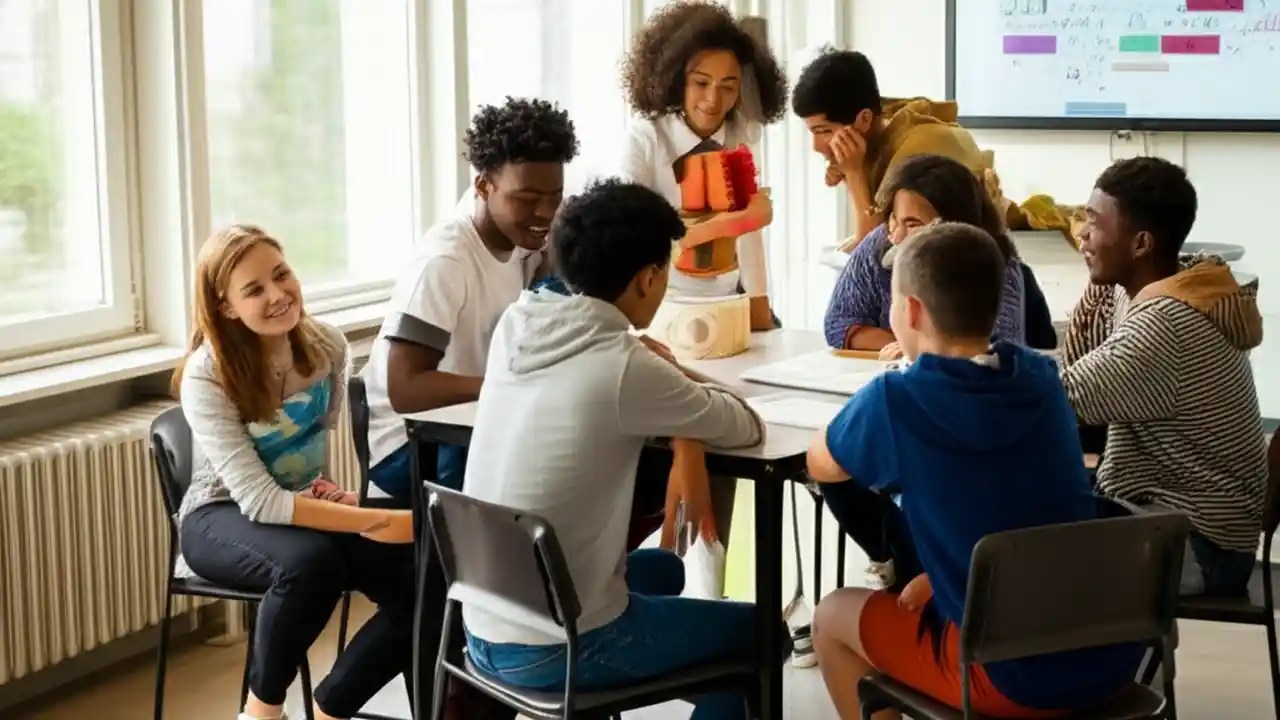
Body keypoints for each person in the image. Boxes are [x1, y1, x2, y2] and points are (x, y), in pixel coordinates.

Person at [463, 179, 775, 720]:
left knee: (662, 570)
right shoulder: (624, 365)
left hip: (480, 624)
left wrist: (677, 419)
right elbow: (746, 424)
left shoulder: (518, 324)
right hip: (558, 644)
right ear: (649, 278)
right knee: (760, 636)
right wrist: (674, 378)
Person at [806, 222, 1144, 718]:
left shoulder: (897, 399)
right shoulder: (1041, 378)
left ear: (912, 311)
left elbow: (824, 465)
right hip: (1108, 650)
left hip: (1008, 672)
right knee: (919, 592)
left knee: (832, 617)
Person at [172, 226, 415, 720]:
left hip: (295, 504)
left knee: (423, 579)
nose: (279, 294)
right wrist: (373, 520)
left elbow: (309, 458)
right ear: (225, 307)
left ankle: (329, 710)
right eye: (254, 289)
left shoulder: (328, 346)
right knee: (312, 562)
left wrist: (342, 500)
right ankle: (261, 714)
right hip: (219, 515)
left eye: (281, 274)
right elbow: (259, 500)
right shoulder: (207, 372)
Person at [1062, 156, 1267, 597]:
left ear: (1140, 245)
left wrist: (975, 366)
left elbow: (1062, 397)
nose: (1082, 233)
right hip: (1175, 519)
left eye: (1095, 223)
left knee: (1018, 554)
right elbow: (1078, 374)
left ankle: (1103, 662)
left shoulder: (1167, 321)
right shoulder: (1173, 286)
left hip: (1200, 542)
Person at [361, 97, 579, 498]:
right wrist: (506, 383)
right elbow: (405, 388)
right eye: (528, 199)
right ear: (483, 185)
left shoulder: (524, 238)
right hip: (404, 446)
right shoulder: (445, 262)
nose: (546, 212)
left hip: (471, 421)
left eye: (554, 196)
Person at [618, 0, 788, 331]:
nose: (713, 100)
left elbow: (751, 239)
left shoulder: (743, 135)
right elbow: (628, 239)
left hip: (728, 300)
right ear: (675, 79)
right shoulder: (645, 139)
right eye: (701, 83)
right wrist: (737, 220)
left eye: (728, 86)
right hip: (661, 308)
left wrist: (759, 303)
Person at [823, 154, 1030, 356]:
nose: (897, 236)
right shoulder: (881, 242)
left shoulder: (995, 263)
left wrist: (918, 353)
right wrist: (903, 346)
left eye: (913, 224)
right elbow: (838, 324)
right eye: (894, 219)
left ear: (954, 226)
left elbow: (1001, 349)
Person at [792, 48, 989, 250]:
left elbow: (877, 250)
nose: (816, 147)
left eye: (824, 131)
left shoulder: (919, 149)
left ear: (864, 119)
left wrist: (854, 174)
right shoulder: (878, 137)